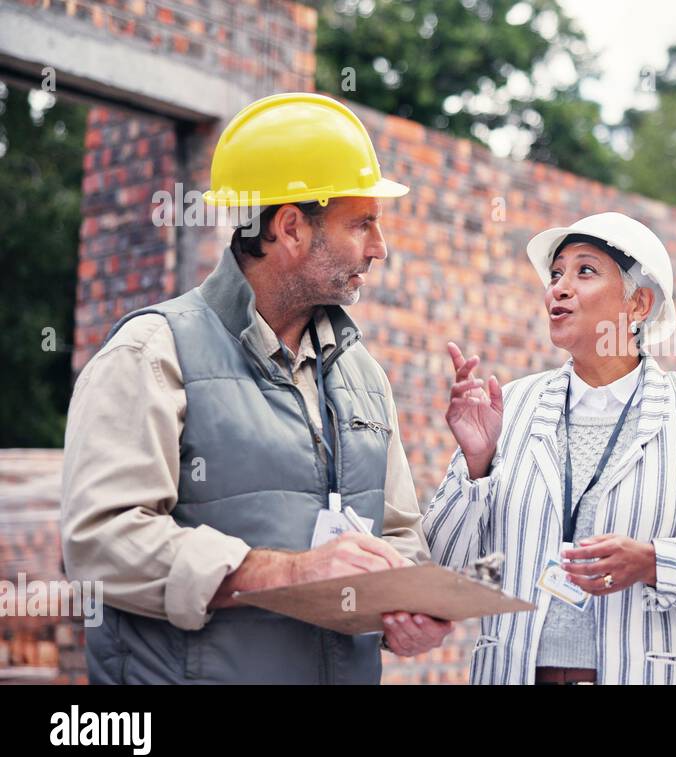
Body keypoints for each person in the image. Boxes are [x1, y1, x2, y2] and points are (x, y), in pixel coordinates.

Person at [61, 93, 452, 684]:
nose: (380, 247)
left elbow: (398, 534)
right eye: (362, 223)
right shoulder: (152, 353)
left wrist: (405, 602)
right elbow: (101, 543)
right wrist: (283, 573)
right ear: (290, 227)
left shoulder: (364, 378)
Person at [424, 212, 676, 684]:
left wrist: (655, 564)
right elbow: (440, 567)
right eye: (556, 274)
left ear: (639, 304)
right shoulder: (510, 407)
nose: (559, 288)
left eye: (584, 271)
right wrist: (477, 465)